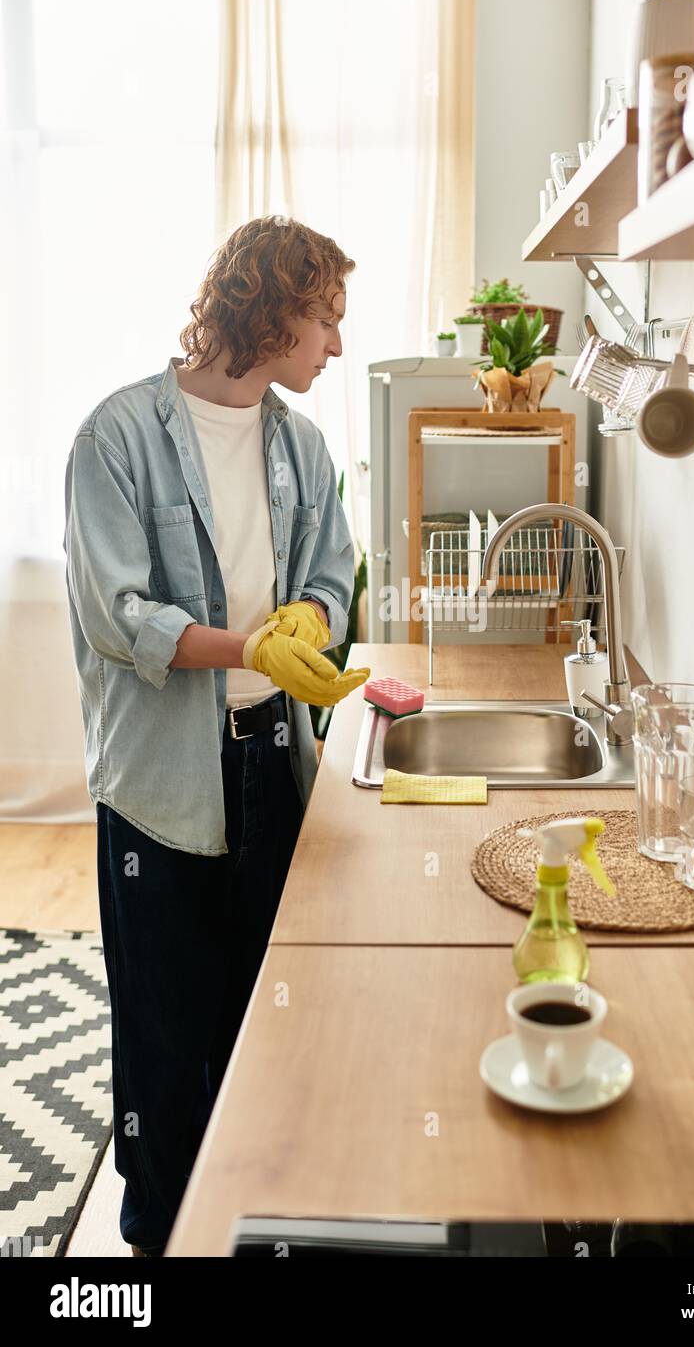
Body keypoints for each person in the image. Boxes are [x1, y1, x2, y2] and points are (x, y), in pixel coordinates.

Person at [63, 215, 370, 1257]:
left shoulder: (302, 443)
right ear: (272, 308)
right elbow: (119, 615)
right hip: (160, 778)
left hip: (271, 762)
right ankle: (159, 1237)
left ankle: (255, 1218)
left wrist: (311, 623)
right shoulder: (116, 436)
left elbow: (333, 570)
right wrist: (248, 644)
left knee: (269, 1005)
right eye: (324, 318)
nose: (334, 344)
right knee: (163, 1022)